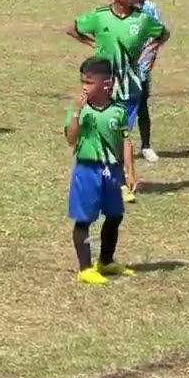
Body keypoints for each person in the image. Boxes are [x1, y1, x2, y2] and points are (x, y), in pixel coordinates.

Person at [68, 0, 170, 203]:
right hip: (102, 84)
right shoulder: (99, 16)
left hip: (130, 85)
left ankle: (123, 182)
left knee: (121, 134)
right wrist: (93, 44)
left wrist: (149, 49)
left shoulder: (143, 19)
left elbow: (162, 34)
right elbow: (72, 29)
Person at [66, 57, 136, 285]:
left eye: (89, 82)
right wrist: (76, 112)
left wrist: (130, 171)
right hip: (87, 170)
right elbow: (70, 138)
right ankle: (85, 268)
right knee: (84, 219)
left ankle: (105, 261)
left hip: (112, 171)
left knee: (115, 215)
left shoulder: (118, 110)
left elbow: (125, 140)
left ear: (106, 84)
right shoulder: (81, 110)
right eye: (82, 82)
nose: (84, 87)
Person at [126, 0, 165, 162]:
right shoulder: (118, 10)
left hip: (140, 69)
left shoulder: (148, 9)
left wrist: (147, 59)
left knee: (142, 106)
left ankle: (146, 146)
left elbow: (158, 36)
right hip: (120, 68)